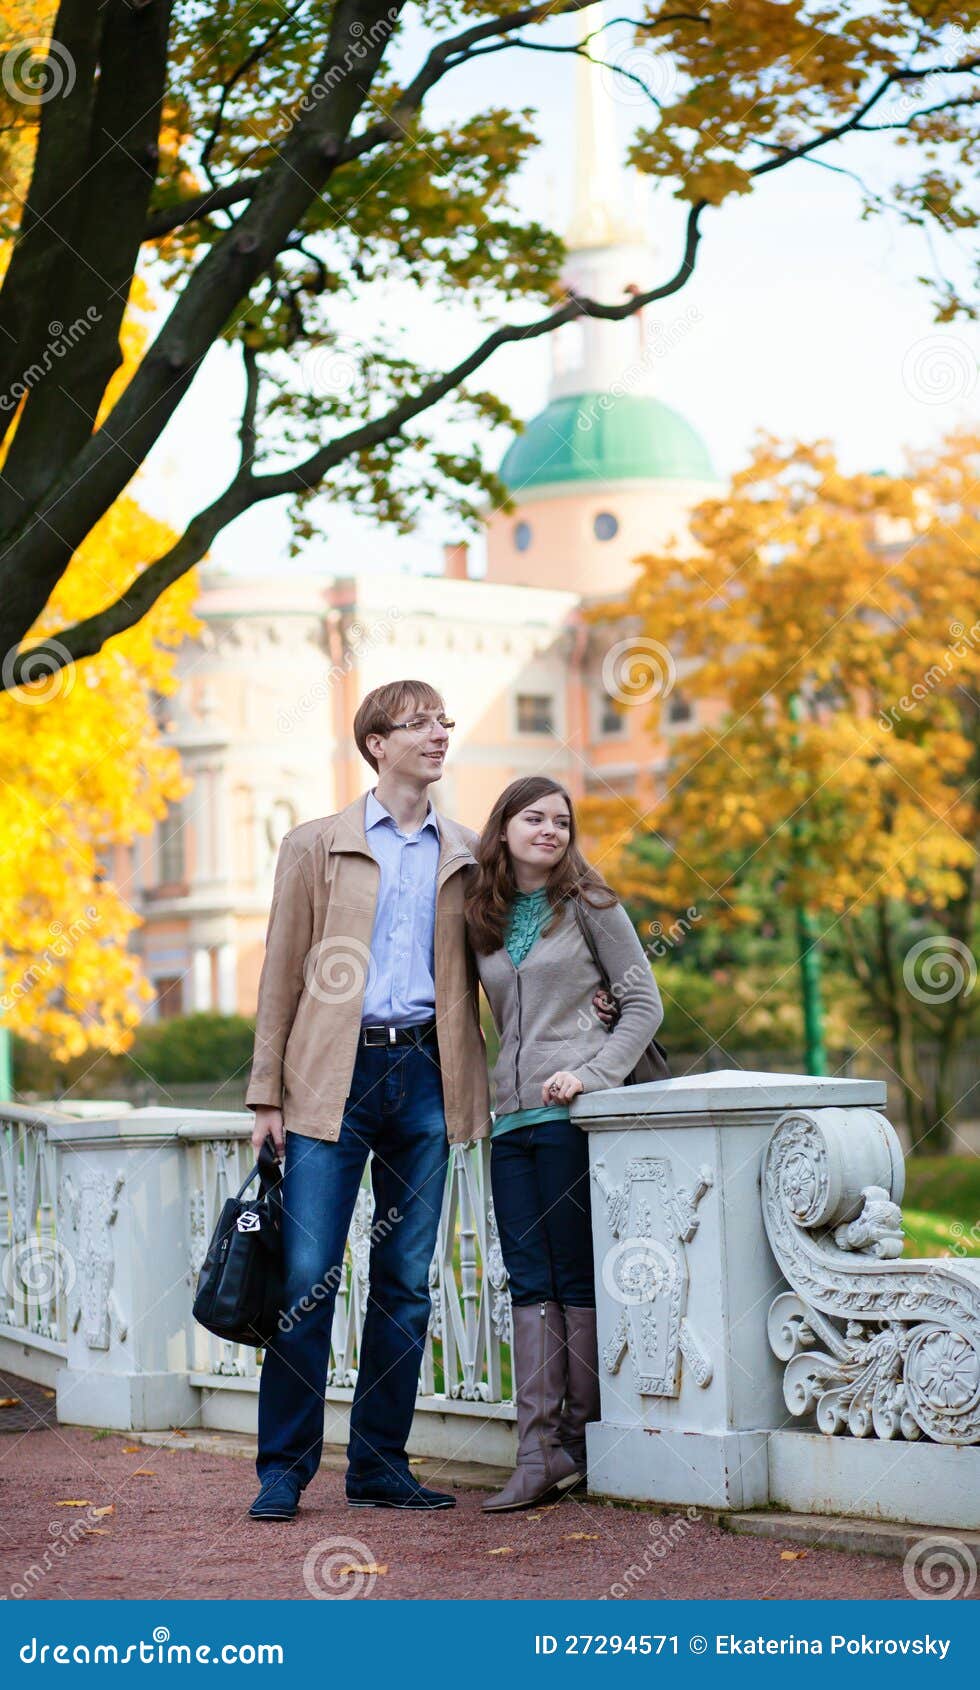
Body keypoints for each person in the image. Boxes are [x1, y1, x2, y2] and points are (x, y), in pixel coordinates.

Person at [244, 682, 613, 1521]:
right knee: (308, 1276)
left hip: (427, 1078)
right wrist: (264, 1092)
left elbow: (525, 947)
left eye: (445, 721)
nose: (441, 734)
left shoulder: (467, 853)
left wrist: (592, 1006)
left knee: (407, 1281)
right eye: (421, 723)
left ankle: (378, 1463)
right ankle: (284, 1469)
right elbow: (279, 971)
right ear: (377, 743)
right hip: (327, 1080)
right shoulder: (315, 845)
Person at [465, 776, 663, 1512]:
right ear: (505, 827)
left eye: (562, 821)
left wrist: (592, 1072)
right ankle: (537, 1450)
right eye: (534, 818)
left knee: (574, 1278)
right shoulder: (481, 915)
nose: (550, 829)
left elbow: (642, 1001)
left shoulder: (592, 905)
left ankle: (578, 1443)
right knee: (528, 1281)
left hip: (569, 1120)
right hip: (508, 1123)